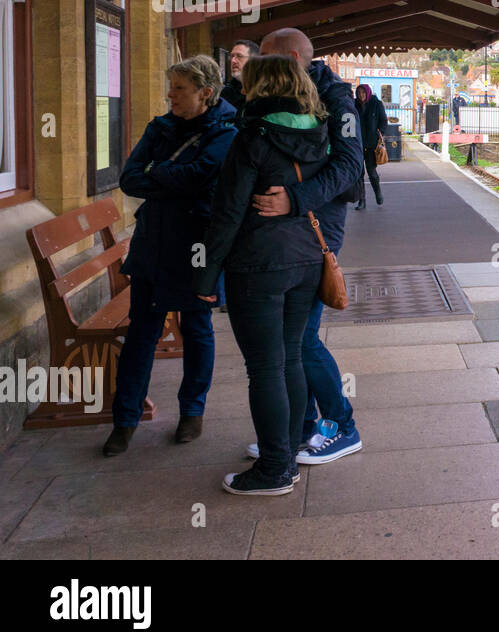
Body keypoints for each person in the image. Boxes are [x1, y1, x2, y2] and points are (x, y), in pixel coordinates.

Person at [195, 55, 331, 494]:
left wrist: (205, 275)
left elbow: (228, 211)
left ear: (262, 86)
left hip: (257, 263)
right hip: (307, 259)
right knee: (289, 357)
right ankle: (286, 451)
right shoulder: (318, 130)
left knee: (265, 368)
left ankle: (274, 469)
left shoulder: (251, 137)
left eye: (247, 81)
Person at [104, 55, 237, 456]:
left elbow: (202, 177)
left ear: (206, 93)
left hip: (196, 246)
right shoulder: (160, 127)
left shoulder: (226, 132)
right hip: (153, 242)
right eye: (171, 87)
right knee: (141, 333)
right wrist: (173, 177)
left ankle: (192, 413)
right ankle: (124, 421)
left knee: (196, 328)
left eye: (180, 89)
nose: (170, 95)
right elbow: (129, 178)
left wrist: (157, 173)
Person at [249, 27, 364, 465]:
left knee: (303, 340)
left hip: (317, 228)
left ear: (293, 56)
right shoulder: (277, 93)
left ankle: (342, 426)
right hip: (288, 229)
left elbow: (350, 165)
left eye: (266, 57)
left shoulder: (336, 98)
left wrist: (295, 199)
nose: (258, 65)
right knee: (288, 339)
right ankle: (299, 429)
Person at [354, 83, 388, 210]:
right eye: (358, 93)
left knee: (372, 172)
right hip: (357, 144)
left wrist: (379, 135)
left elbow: (384, 122)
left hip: (371, 144)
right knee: (359, 174)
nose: (360, 95)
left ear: (367, 93)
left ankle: (378, 193)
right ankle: (362, 201)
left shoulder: (376, 104)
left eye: (363, 92)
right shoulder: (353, 105)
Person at [220, 39, 259, 114]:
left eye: (239, 56)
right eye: (232, 56)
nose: (233, 61)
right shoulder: (227, 92)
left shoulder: (264, 91)